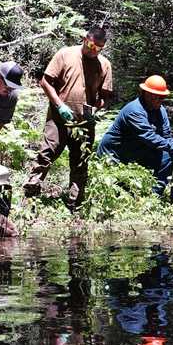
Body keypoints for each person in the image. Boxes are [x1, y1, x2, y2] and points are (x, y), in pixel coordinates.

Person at [24, 26, 114, 209]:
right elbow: (45, 82)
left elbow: (105, 97)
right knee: (46, 155)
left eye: (99, 48)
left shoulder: (104, 64)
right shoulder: (65, 54)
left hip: (84, 123)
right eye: (91, 45)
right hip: (58, 119)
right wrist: (59, 105)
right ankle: (29, 198)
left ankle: (74, 205)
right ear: (84, 39)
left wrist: (97, 110)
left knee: (80, 162)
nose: (94, 50)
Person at [96, 74, 173, 193]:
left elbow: (166, 135)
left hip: (137, 149)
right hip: (115, 153)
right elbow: (148, 136)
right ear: (146, 94)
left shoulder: (161, 111)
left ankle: (155, 194)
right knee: (115, 188)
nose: (160, 100)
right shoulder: (134, 110)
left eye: (162, 97)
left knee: (168, 155)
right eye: (156, 97)